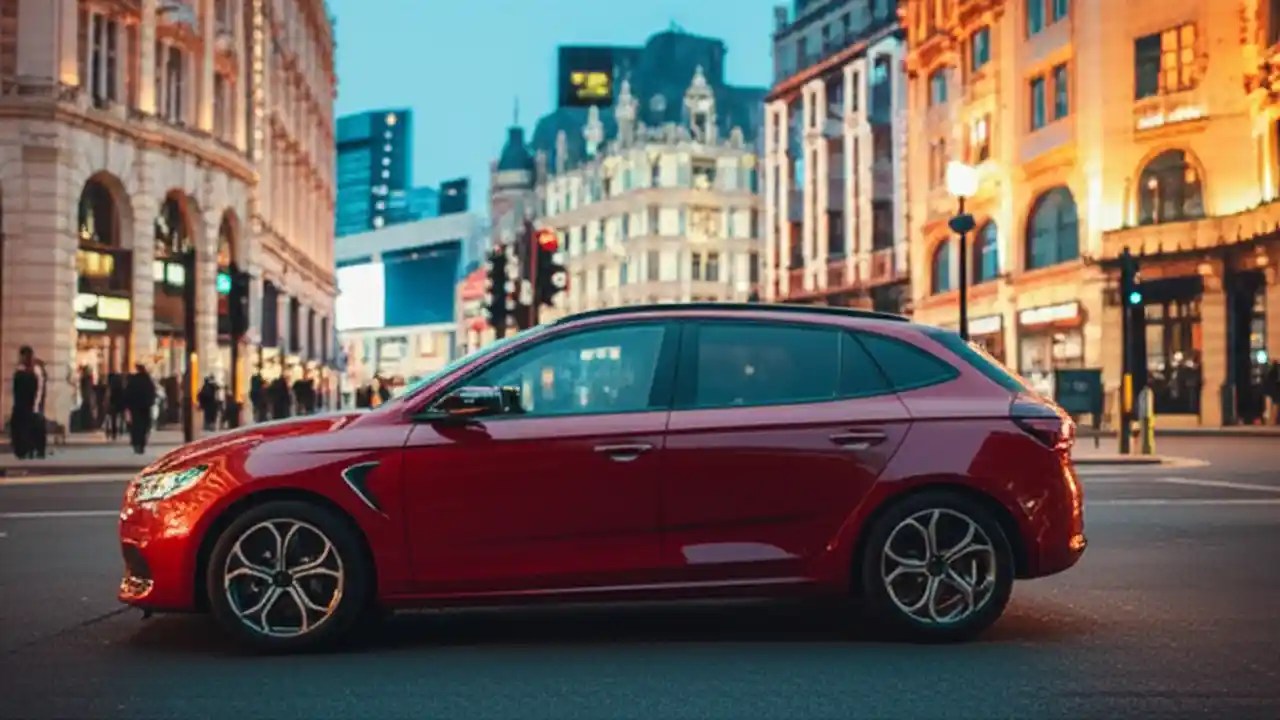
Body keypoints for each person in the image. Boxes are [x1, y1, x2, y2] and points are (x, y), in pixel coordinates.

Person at [9, 346, 40, 459]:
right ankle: (28, 449)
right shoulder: (33, 374)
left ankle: (22, 450)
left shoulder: (20, 374)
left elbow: (15, 391)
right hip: (28, 406)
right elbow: (35, 392)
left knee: (20, 428)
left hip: (21, 406)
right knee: (26, 428)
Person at [124, 364, 157, 454]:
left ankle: (136, 442)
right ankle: (141, 442)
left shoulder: (133, 380)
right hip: (145, 406)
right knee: (145, 424)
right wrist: (151, 402)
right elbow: (152, 392)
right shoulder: (147, 380)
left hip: (135, 406)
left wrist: (127, 405)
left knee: (136, 424)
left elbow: (127, 392)